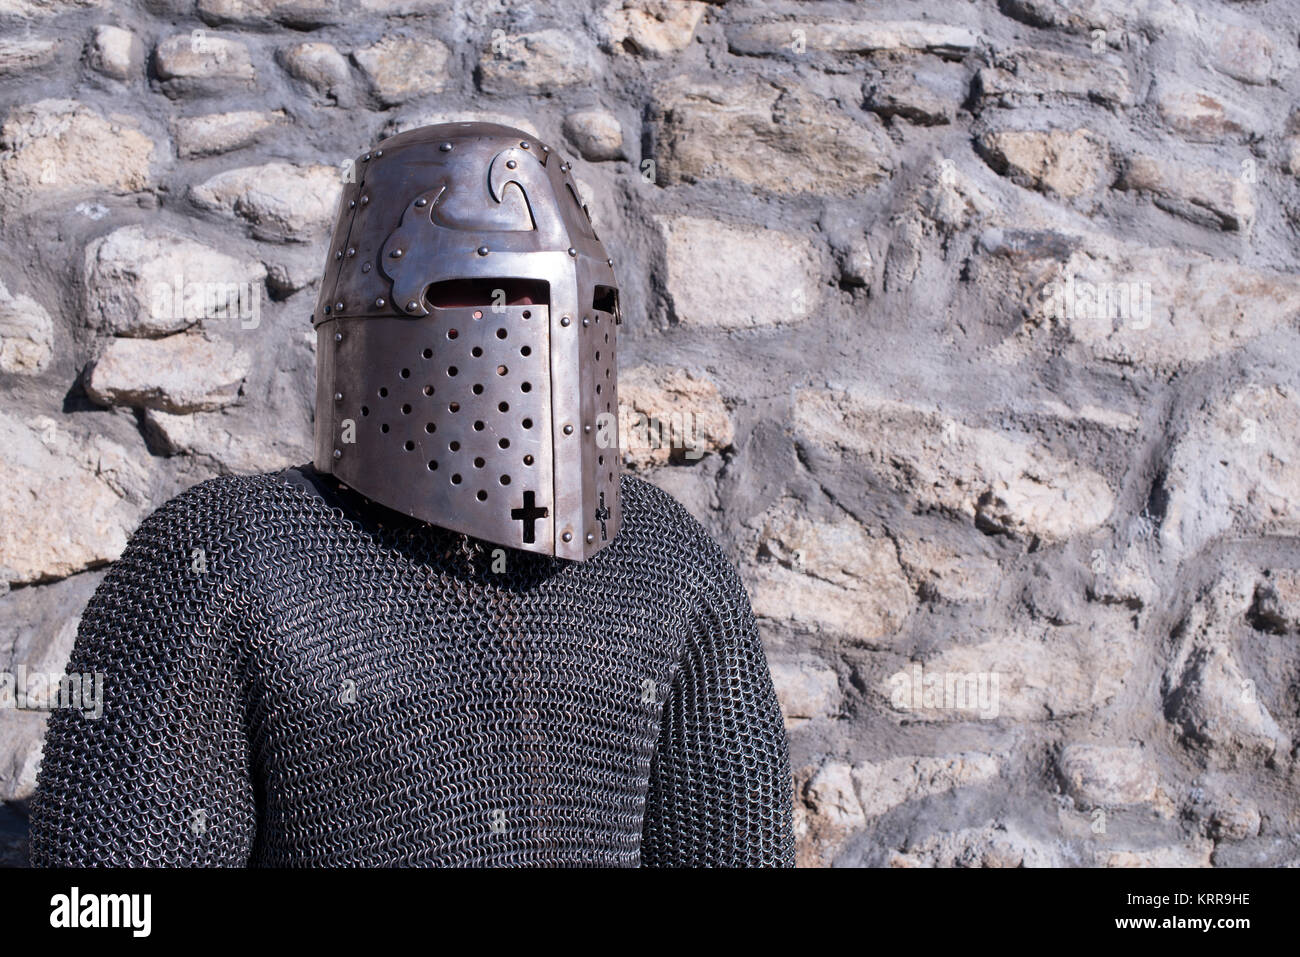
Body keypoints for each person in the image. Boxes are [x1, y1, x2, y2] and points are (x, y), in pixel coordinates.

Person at [28, 123, 794, 867]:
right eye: (488, 296)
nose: (542, 340)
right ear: (380, 309)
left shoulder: (664, 562)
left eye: (584, 305)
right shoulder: (222, 563)